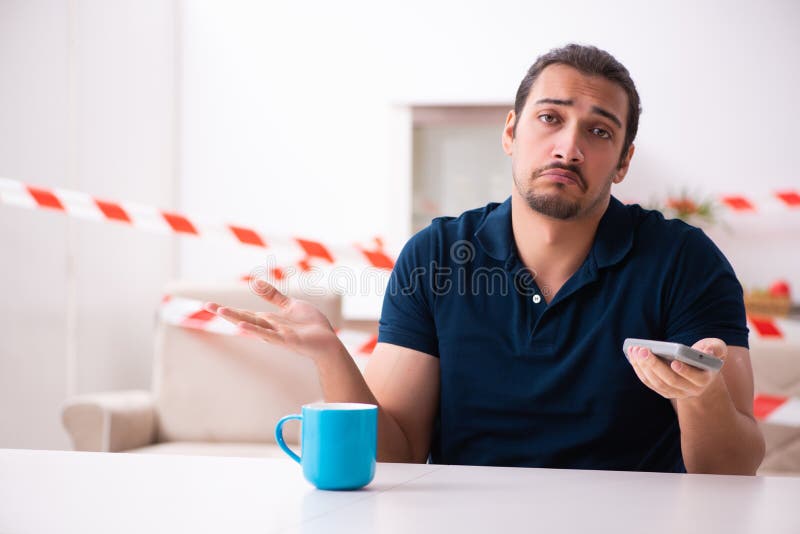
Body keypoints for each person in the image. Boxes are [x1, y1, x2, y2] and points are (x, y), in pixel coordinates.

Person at [206, 44, 765, 474]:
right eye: (551, 118)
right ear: (511, 131)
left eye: (598, 131)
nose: (569, 147)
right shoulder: (436, 255)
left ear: (622, 162)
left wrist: (702, 394)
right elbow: (396, 453)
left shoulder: (687, 260)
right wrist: (330, 353)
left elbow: (734, 468)